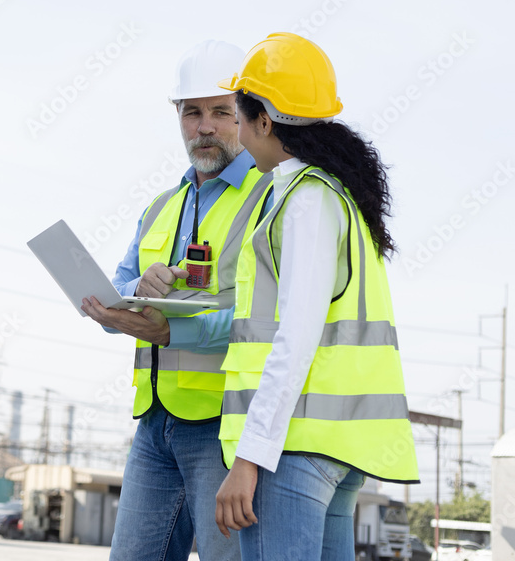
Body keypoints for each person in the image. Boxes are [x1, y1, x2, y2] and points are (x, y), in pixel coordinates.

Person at [212, 32, 419, 561]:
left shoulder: (305, 200)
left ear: (264, 121)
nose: (234, 128)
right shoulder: (333, 197)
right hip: (331, 447)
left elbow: (295, 336)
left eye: (237, 115)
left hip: (294, 449)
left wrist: (249, 457)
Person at [82, 40, 272, 561]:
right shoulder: (161, 207)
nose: (204, 127)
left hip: (223, 426)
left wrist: (175, 328)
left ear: (250, 117)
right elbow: (117, 289)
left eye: (219, 112)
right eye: (192, 113)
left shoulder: (270, 199)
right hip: (154, 421)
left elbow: (272, 320)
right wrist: (127, 298)